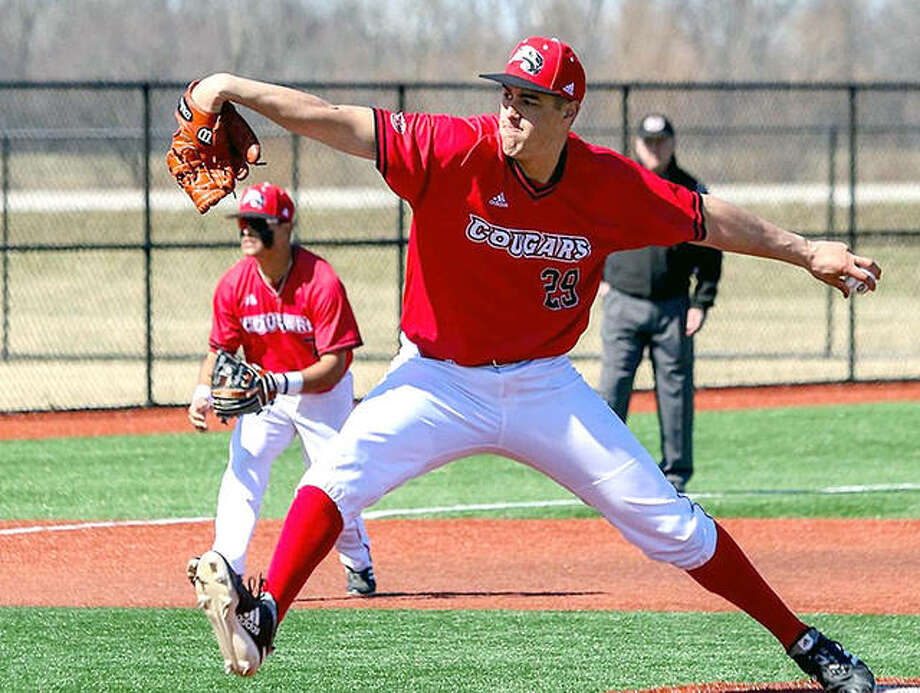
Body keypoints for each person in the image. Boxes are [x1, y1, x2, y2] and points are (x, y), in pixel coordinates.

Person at [184, 37, 880, 691]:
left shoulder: (609, 184)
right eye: (507, 94)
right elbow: (334, 121)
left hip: (544, 383)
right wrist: (227, 85)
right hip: (437, 377)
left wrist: (806, 249)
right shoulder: (448, 147)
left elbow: (708, 219)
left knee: (672, 525)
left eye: (530, 98)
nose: (510, 108)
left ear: (568, 111)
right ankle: (264, 616)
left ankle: (805, 642)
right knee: (336, 475)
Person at [186, 181, 377, 597]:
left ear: (286, 228)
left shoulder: (320, 281)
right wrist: (202, 392)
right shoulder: (235, 284)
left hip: (321, 395)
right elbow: (220, 348)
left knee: (331, 482)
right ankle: (226, 567)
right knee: (244, 465)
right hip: (263, 392)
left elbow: (337, 363)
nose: (247, 231)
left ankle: (357, 562)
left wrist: (281, 382)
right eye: (242, 223)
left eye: (257, 222)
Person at [598, 113, 723, 493]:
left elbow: (713, 247)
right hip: (623, 301)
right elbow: (589, 228)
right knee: (612, 389)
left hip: (673, 308)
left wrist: (702, 300)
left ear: (672, 143)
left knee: (675, 394)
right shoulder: (617, 182)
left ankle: (675, 476)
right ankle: (603, 471)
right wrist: (598, 278)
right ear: (637, 144)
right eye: (648, 142)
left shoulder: (691, 189)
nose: (655, 148)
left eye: (662, 141)